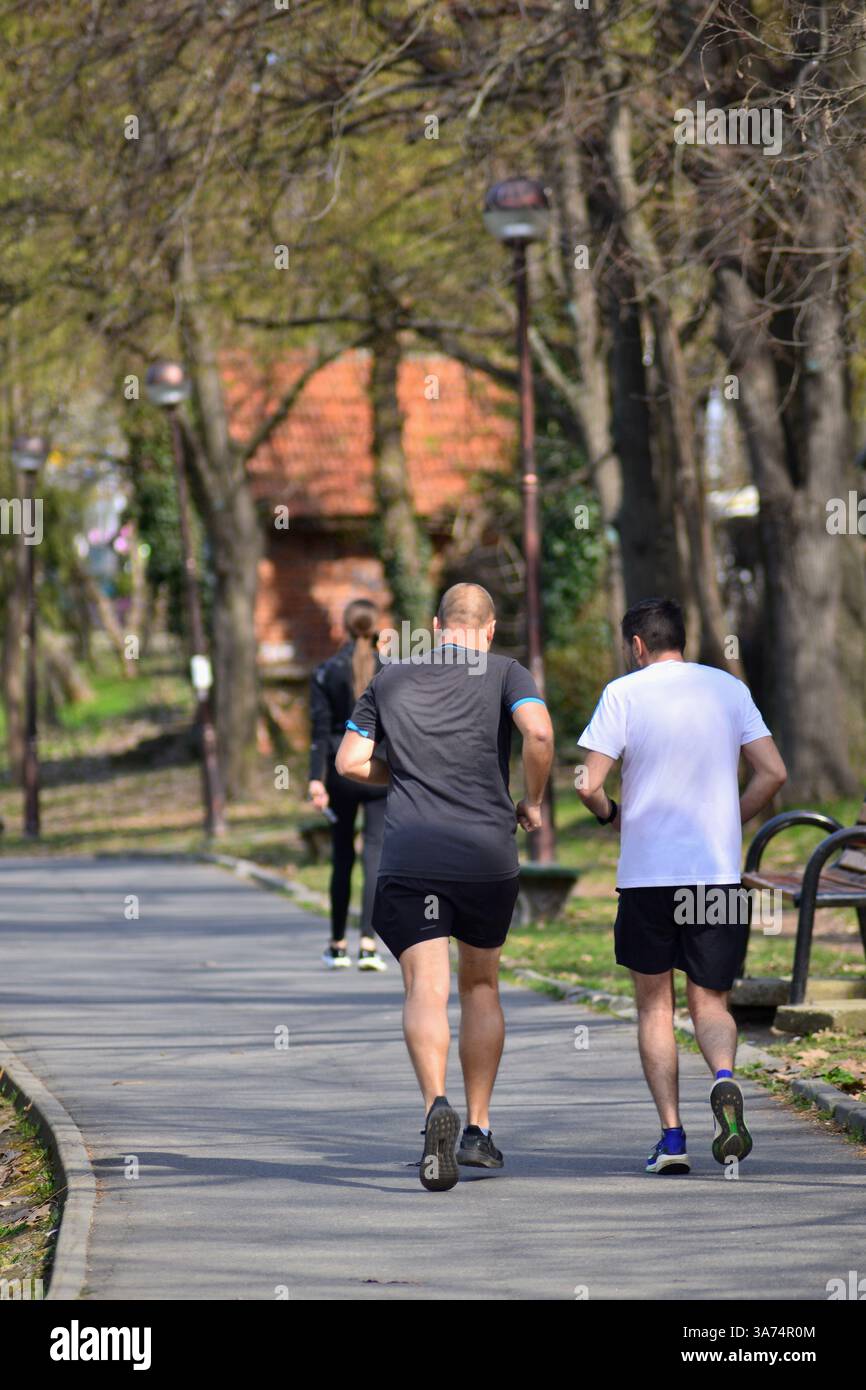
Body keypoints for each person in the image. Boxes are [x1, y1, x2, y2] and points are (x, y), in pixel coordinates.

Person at [335, 582, 554, 1192]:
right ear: (488, 629)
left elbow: (349, 762)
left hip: (412, 855)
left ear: (436, 626)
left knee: (425, 989)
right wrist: (531, 802)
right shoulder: (506, 671)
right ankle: (478, 1131)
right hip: (486, 854)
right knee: (480, 985)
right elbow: (538, 735)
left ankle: (435, 1105)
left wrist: (401, 769)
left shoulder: (391, 677)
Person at [576, 597, 787, 1175]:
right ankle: (723, 1080)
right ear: (681, 640)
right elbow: (774, 772)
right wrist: (730, 817)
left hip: (648, 877)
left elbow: (586, 783)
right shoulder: (727, 689)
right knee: (711, 1001)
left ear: (638, 645)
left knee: (654, 1007)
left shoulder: (624, 693)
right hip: (715, 873)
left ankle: (672, 1138)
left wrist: (610, 812)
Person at [308, 598, 388, 972]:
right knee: (374, 856)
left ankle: (337, 945)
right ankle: (369, 946)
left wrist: (315, 780)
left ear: (343, 626)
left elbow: (320, 733)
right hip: (377, 772)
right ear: (375, 627)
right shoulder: (389, 671)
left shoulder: (326, 672)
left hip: (340, 772)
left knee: (342, 858)